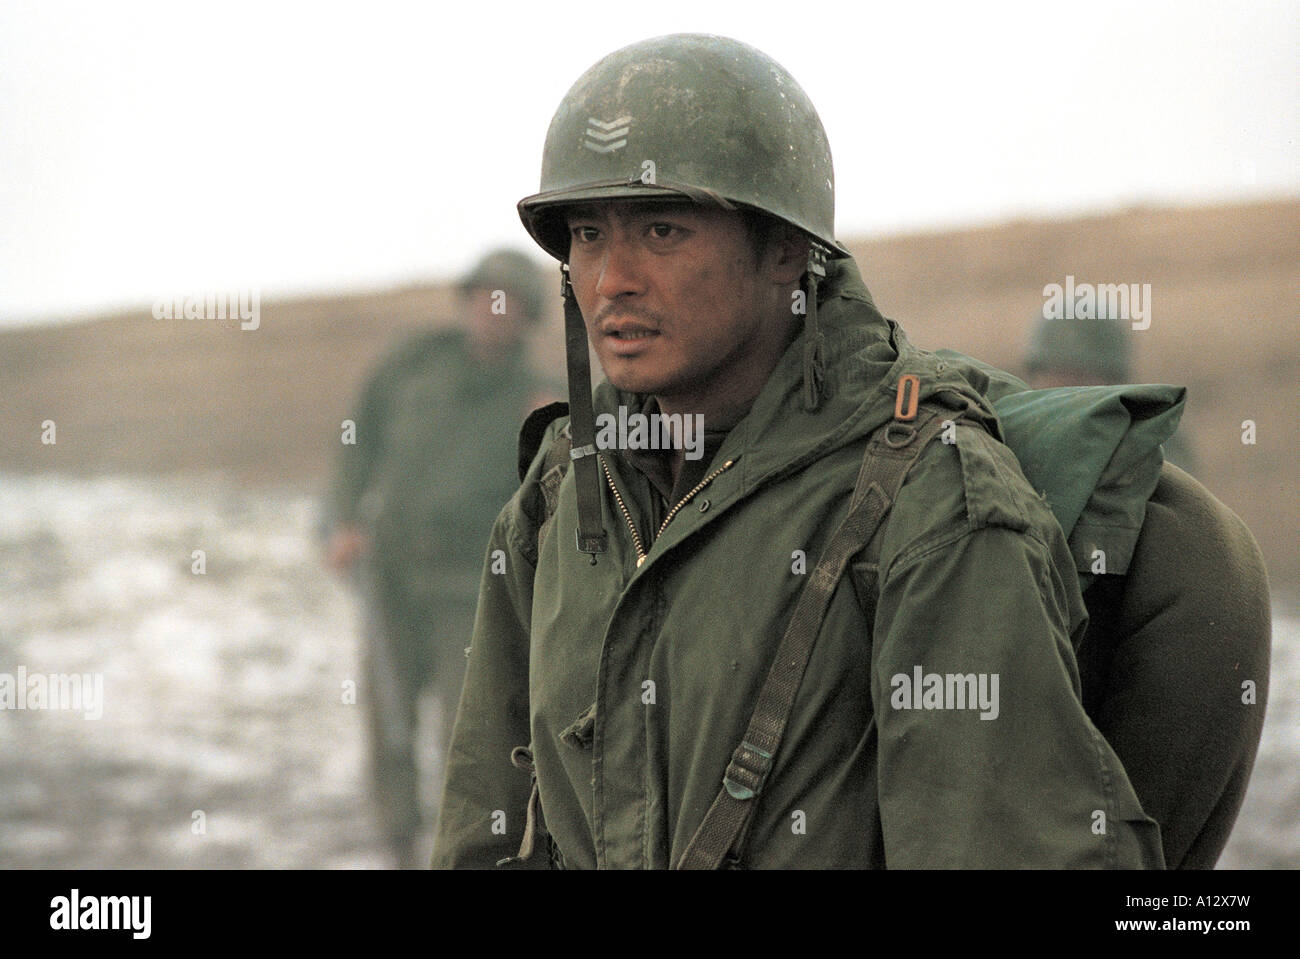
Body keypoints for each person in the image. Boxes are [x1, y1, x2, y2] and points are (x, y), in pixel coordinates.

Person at [431, 34, 1167, 869]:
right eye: (589, 234)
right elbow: (484, 829)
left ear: (785, 250)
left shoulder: (931, 499)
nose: (611, 280)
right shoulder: (563, 489)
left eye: (663, 230)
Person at [324, 247, 550, 868]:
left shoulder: (541, 398)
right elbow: (356, 442)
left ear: (528, 317)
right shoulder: (411, 365)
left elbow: (556, 497)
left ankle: (460, 854)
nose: (493, 311)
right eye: (484, 297)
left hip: (472, 592)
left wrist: (547, 436)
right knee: (390, 723)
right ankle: (396, 845)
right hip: (390, 576)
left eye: (509, 303)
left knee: (467, 734)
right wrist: (340, 522)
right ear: (467, 300)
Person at [1023, 309, 1198, 472]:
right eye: (1055, 374)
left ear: (1114, 383)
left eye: (1081, 376)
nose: (1065, 391)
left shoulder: (1153, 439)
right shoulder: (1014, 433)